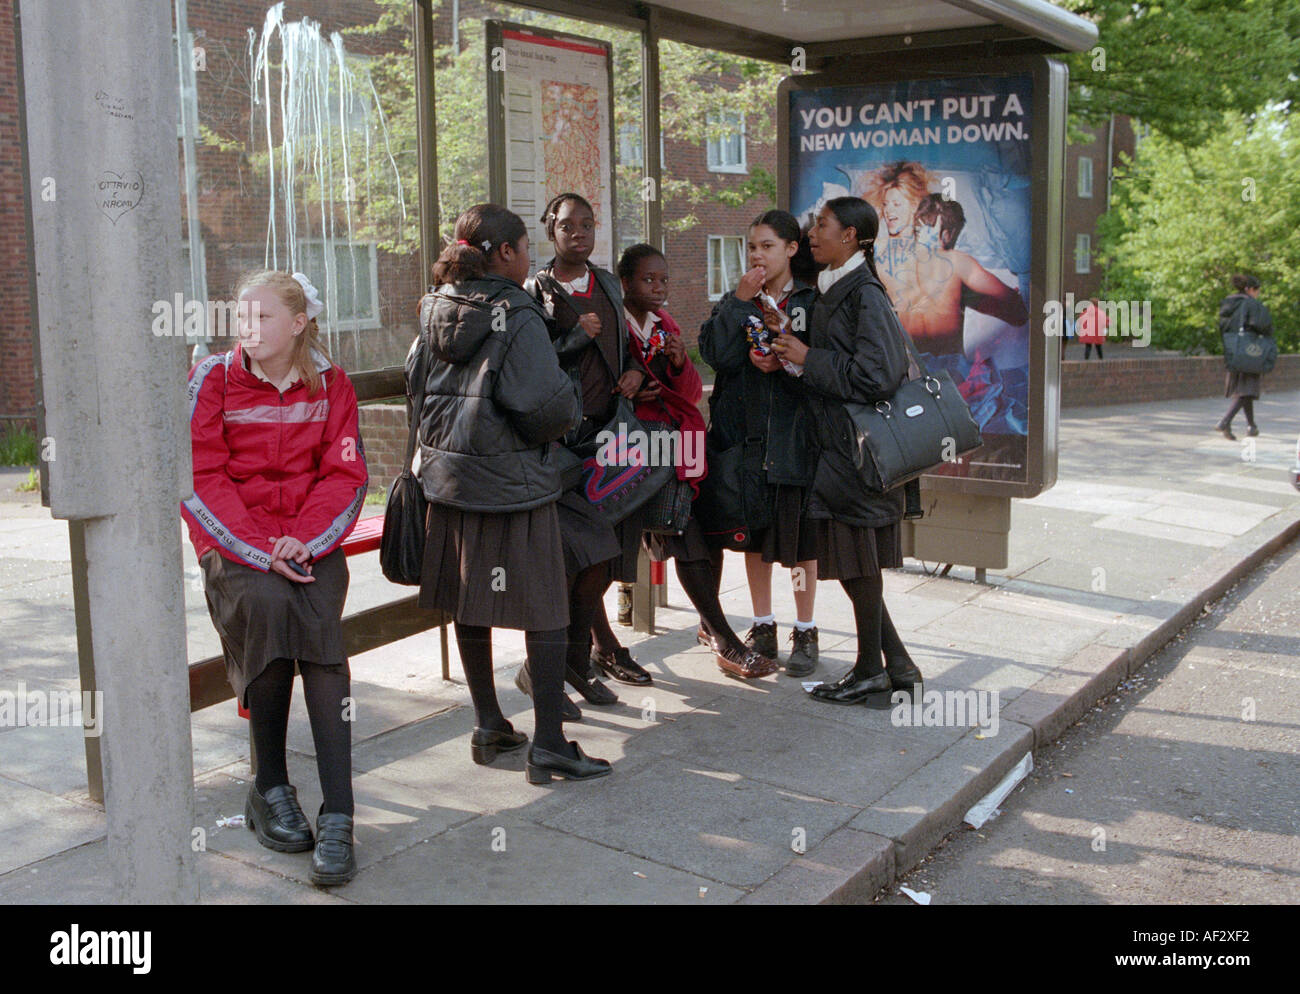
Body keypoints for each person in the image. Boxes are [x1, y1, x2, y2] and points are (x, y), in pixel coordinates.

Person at [182, 269, 368, 886]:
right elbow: (200, 477)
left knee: (319, 636)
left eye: (262, 318)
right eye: (242, 318)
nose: (249, 330)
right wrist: (263, 550)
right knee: (265, 603)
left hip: (308, 540)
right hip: (236, 545)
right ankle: (269, 786)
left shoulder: (333, 384)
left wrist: (305, 541)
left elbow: (346, 476)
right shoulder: (214, 378)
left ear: (297, 324)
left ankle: (338, 814)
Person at [414, 203, 610, 784]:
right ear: (505, 254)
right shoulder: (517, 311)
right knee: (545, 605)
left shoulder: (435, 306)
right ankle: (549, 741)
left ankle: (489, 723)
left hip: (450, 481)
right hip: (512, 485)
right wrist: (569, 409)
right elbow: (544, 406)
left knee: (471, 598)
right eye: (525, 247)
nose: (529, 258)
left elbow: (414, 387)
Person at [770, 197, 924, 705]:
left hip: (857, 454)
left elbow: (877, 376)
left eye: (823, 226)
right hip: (839, 449)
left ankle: (871, 670)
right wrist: (793, 350)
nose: (812, 232)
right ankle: (894, 665)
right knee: (857, 566)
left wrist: (810, 357)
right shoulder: (836, 289)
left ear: (851, 237)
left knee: (857, 565)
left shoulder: (864, 295)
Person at [620, 243, 777, 679]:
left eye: (664, 280)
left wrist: (673, 366)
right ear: (626, 283)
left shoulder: (665, 323)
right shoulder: (615, 325)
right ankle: (721, 635)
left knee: (698, 528)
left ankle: (715, 631)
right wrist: (634, 389)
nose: (658, 287)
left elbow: (689, 392)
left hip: (677, 445)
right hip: (632, 450)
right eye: (648, 279)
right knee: (676, 532)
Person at [524, 192, 654, 692]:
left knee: (610, 554)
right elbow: (534, 366)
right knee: (580, 557)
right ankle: (575, 662)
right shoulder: (537, 290)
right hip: (566, 443)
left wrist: (633, 373)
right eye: (566, 225)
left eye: (587, 223)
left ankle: (584, 659)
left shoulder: (605, 283)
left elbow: (627, 347)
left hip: (613, 434)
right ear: (550, 232)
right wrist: (576, 336)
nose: (578, 232)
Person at [698, 209, 821, 676]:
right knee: (753, 535)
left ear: (791, 249)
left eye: (767, 246)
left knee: (799, 538)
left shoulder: (811, 299)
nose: (757, 255)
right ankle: (763, 623)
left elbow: (823, 362)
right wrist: (737, 302)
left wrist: (787, 360)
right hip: (745, 436)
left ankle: (805, 629)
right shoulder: (740, 299)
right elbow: (714, 354)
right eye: (751, 247)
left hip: (793, 435)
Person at [1216, 274, 1274, 439]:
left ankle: (1251, 426)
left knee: (1242, 388)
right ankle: (1225, 421)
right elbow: (1264, 326)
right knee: (1246, 389)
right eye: (1257, 291)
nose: (1258, 294)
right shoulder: (1251, 304)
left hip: (1233, 349)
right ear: (1250, 289)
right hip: (1249, 350)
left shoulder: (1228, 303)